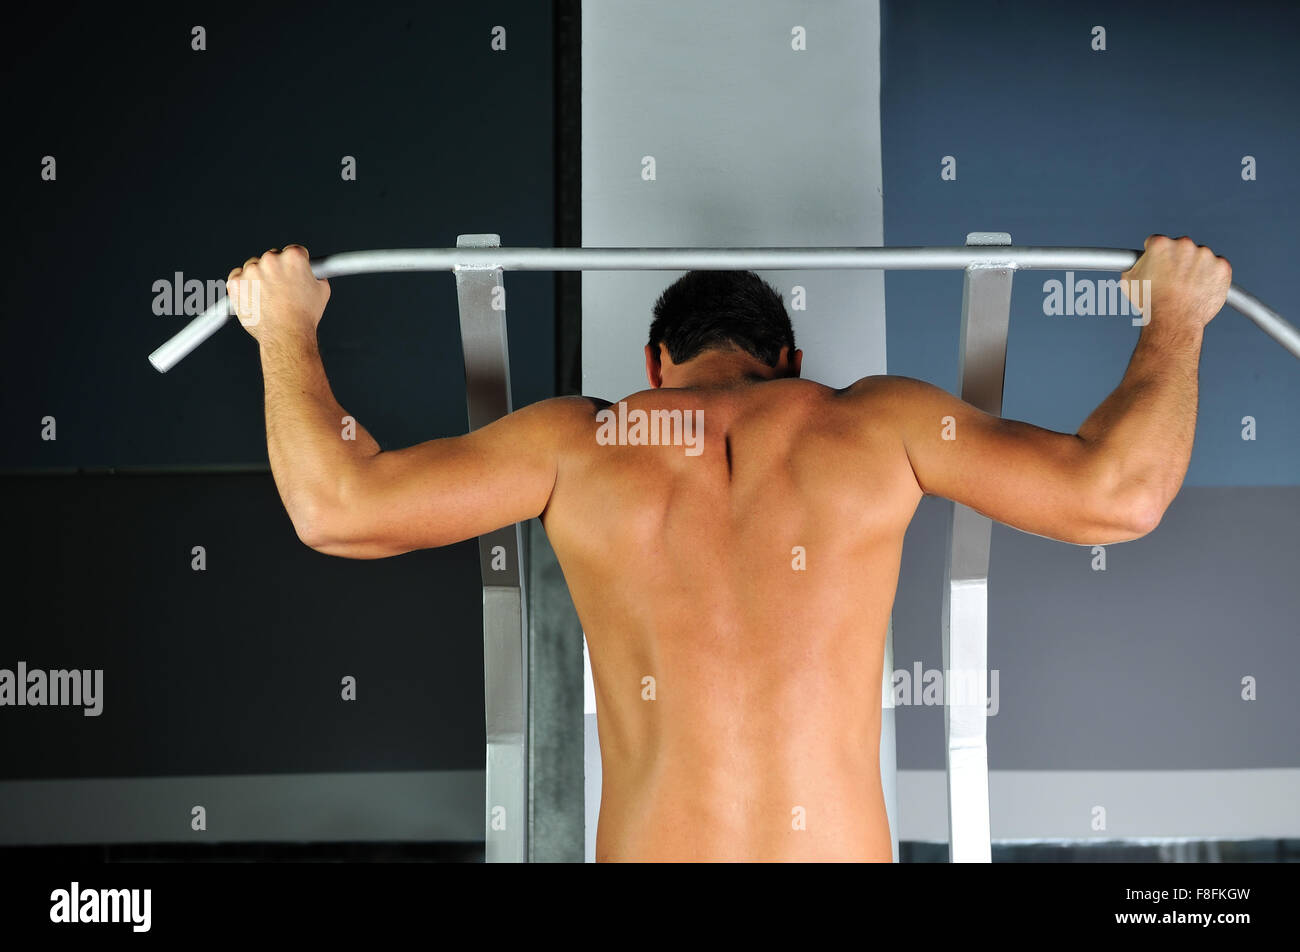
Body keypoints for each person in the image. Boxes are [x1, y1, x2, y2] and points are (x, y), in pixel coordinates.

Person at [227, 234, 1231, 861]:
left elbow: (336, 507)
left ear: (654, 365)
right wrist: (1174, 319)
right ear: (790, 360)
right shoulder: (878, 426)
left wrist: (285, 328)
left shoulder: (581, 443)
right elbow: (1120, 493)